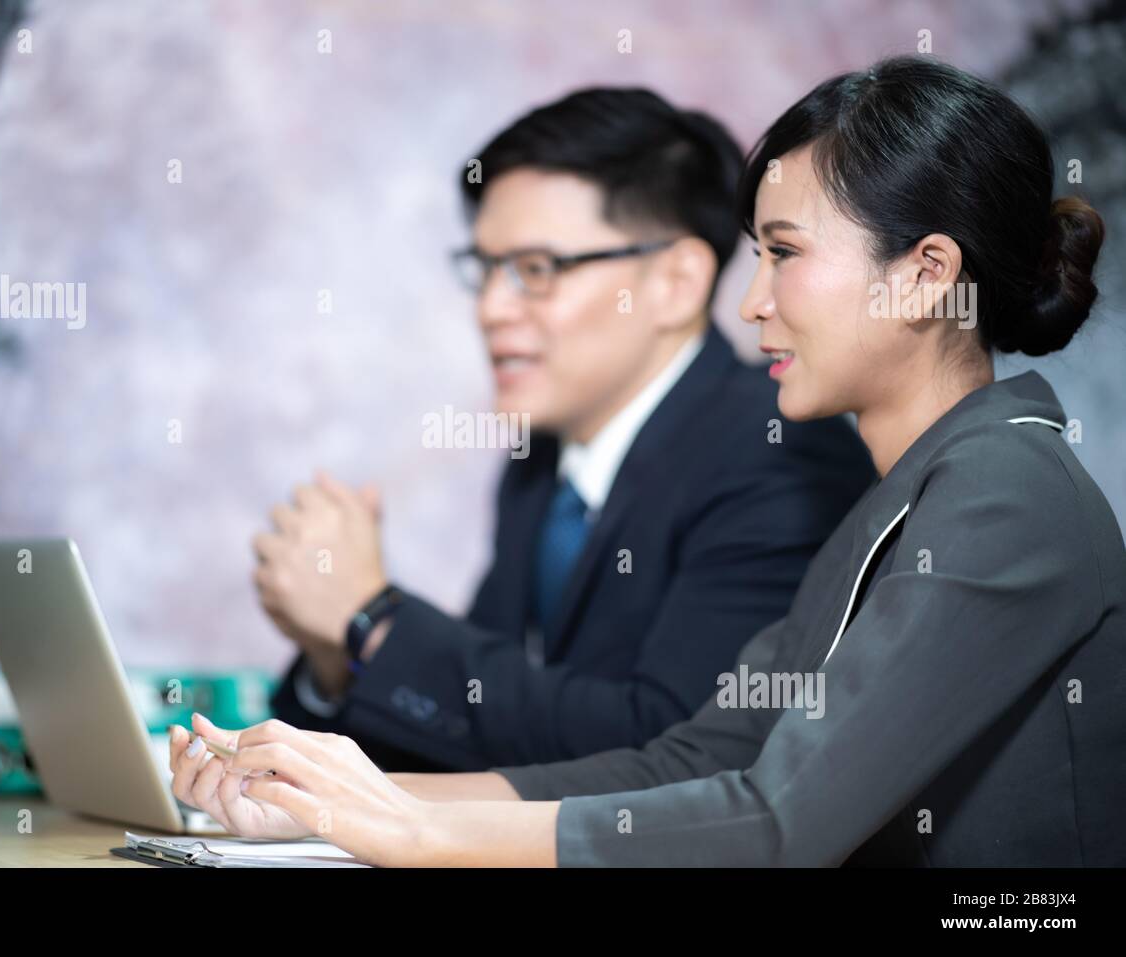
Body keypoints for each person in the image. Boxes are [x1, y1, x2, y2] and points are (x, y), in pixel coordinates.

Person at [170, 56, 1125, 866]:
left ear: (925, 276)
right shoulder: (906, 500)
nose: (750, 302)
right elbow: (686, 764)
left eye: (784, 253)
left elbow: (781, 820)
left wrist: (408, 828)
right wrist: (326, 796)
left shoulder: (1003, 493)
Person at [253, 88, 873, 772]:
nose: (491, 307)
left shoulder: (780, 453)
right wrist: (334, 656)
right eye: (486, 269)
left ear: (676, 280)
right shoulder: (541, 458)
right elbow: (473, 725)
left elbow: (673, 750)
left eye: (535, 270)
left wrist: (373, 620)